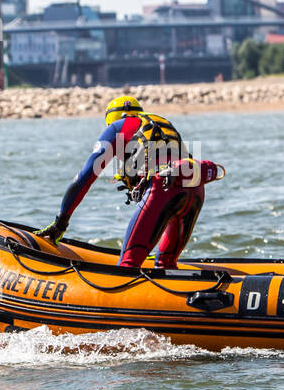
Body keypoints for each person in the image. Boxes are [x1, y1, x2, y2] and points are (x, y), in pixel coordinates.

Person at [36, 95, 223, 269]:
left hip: (162, 190)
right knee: (166, 264)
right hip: (195, 189)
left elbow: (84, 178)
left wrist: (61, 223)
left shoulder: (116, 127)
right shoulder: (161, 123)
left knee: (128, 267)